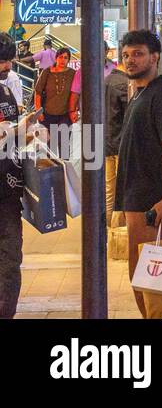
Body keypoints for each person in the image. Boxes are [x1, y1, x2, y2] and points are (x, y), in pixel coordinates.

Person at [116, 29, 162, 318]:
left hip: (151, 201)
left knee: (151, 274)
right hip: (136, 198)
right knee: (140, 270)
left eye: (138, 54)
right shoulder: (140, 94)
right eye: (126, 55)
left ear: (154, 57)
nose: (130, 61)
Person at [0, 33, 42, 320]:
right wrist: (18, 129)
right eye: (3, 61)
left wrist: (31, 134)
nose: (7, 66)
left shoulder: (5, 92)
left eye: (9, 60)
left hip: (8, 192)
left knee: (10, 262)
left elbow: (9, 138)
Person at [33, 47, 76, 158]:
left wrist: (75, 110)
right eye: (60, 57)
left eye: (66, 58)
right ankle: (51, 171)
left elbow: (76, 93)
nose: (63, 60)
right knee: (49, 146)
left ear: (69, 60)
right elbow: (37, 92)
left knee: (64, 144)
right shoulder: (47, 72)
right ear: (56, 58)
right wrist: (38, 111)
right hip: (48, 114)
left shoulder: (73, 74)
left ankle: (65, 170)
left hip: (65, 114)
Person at [104, 55, 130, 227]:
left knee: (109, 189)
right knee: (123, 190)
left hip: (105, 143)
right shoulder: (124, 85)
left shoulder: (104, 81)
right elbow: (129, 117)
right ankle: (118, 229)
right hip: (121, 144)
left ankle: (107, 228)